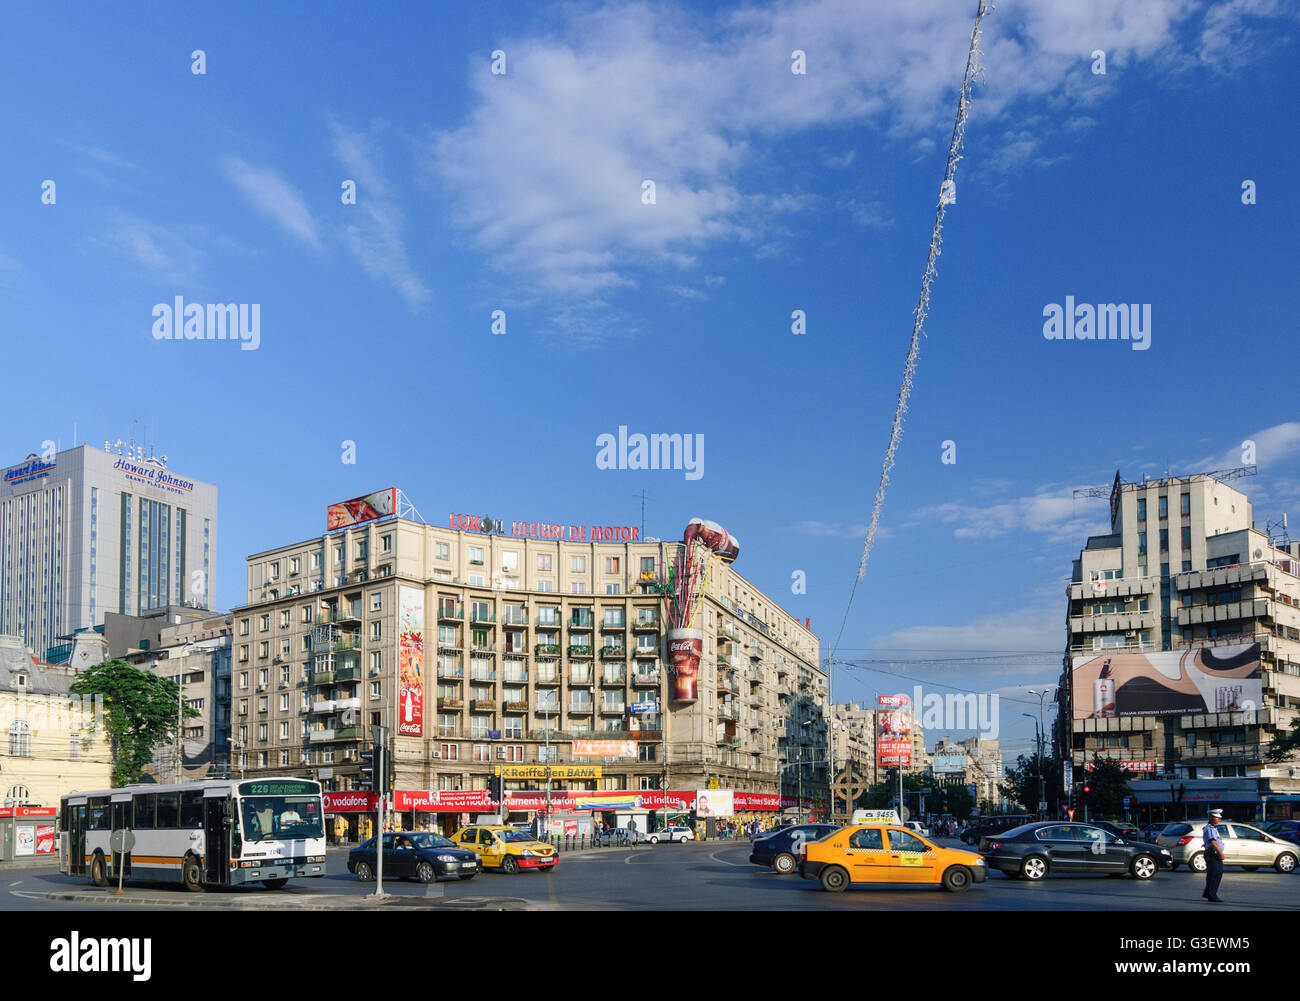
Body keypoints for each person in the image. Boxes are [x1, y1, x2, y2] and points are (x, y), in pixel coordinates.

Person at [1203, 809, 1225, 902]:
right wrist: (1221, 854)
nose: (1219, 820)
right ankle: (1212, 895)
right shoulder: (1210, 828)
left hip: (1212, 853)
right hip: (1213, 854)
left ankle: (1209, 893)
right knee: (1215, 874)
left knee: (1215, 873)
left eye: (1219, 818)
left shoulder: (1212, 828)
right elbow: (1213, 842)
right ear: (1212, 818)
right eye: (1217, 818)